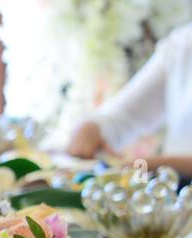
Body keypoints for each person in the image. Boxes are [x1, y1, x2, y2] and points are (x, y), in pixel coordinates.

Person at [67, 21, 192, 178]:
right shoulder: (184, 43)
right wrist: (92, 128)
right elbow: (124, 116)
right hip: (167, 188)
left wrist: (160, 165)